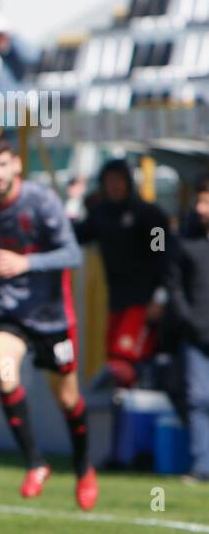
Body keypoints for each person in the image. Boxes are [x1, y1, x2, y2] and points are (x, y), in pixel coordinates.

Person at [0, 135, 97, 509]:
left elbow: (72, 253)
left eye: (4, 164)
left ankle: (84, 467)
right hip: (7, 311)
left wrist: (26, 263)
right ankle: (35, 464)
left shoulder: (41, 201)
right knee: (2, 369)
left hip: (50, 315)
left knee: (68, 399)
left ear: (17, 165)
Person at [68, 159, 170, 388]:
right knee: (116, 360)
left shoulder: (150, 217)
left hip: (143, 303)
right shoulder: (101, 215)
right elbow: (77, 234)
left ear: (128, 183)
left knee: (124, 362)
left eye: (119, 181)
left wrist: (161, 297)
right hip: (116, 303)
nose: (114, 186)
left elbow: (164, 256)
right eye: (109, 182)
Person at [165, 176, 209, 485]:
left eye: (206, 201)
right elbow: (174, 285)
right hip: (195, 333)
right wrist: (189, 319)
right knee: (196, 397)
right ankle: (202, 464)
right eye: (199, 200)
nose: (201, 207)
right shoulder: (184, 239)